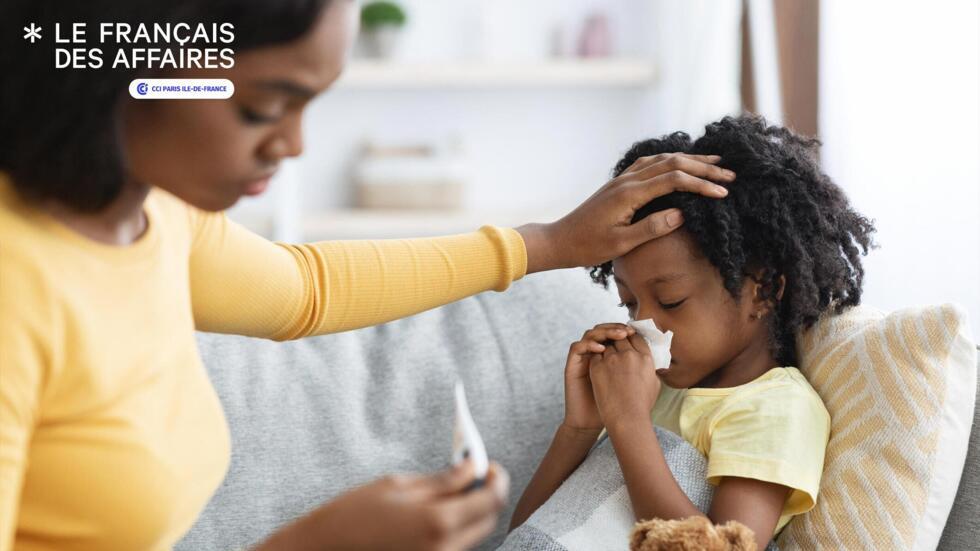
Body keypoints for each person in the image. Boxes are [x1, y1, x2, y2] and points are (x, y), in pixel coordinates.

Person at [0, 1, 736, 550]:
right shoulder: (19, 284)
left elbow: (305, 290)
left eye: (309, 104)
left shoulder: (153, 216)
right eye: (263, 106)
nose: (292, 143)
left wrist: (550, 241)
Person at [511, 116, 876, 548]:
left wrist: (628, 423)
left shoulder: (774, 409)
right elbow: (525, 533)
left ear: (763, 290)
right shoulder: (655, 391)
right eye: (629, 303)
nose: (643, 325)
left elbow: (718, 546)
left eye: (670, 302)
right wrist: (581, 427)